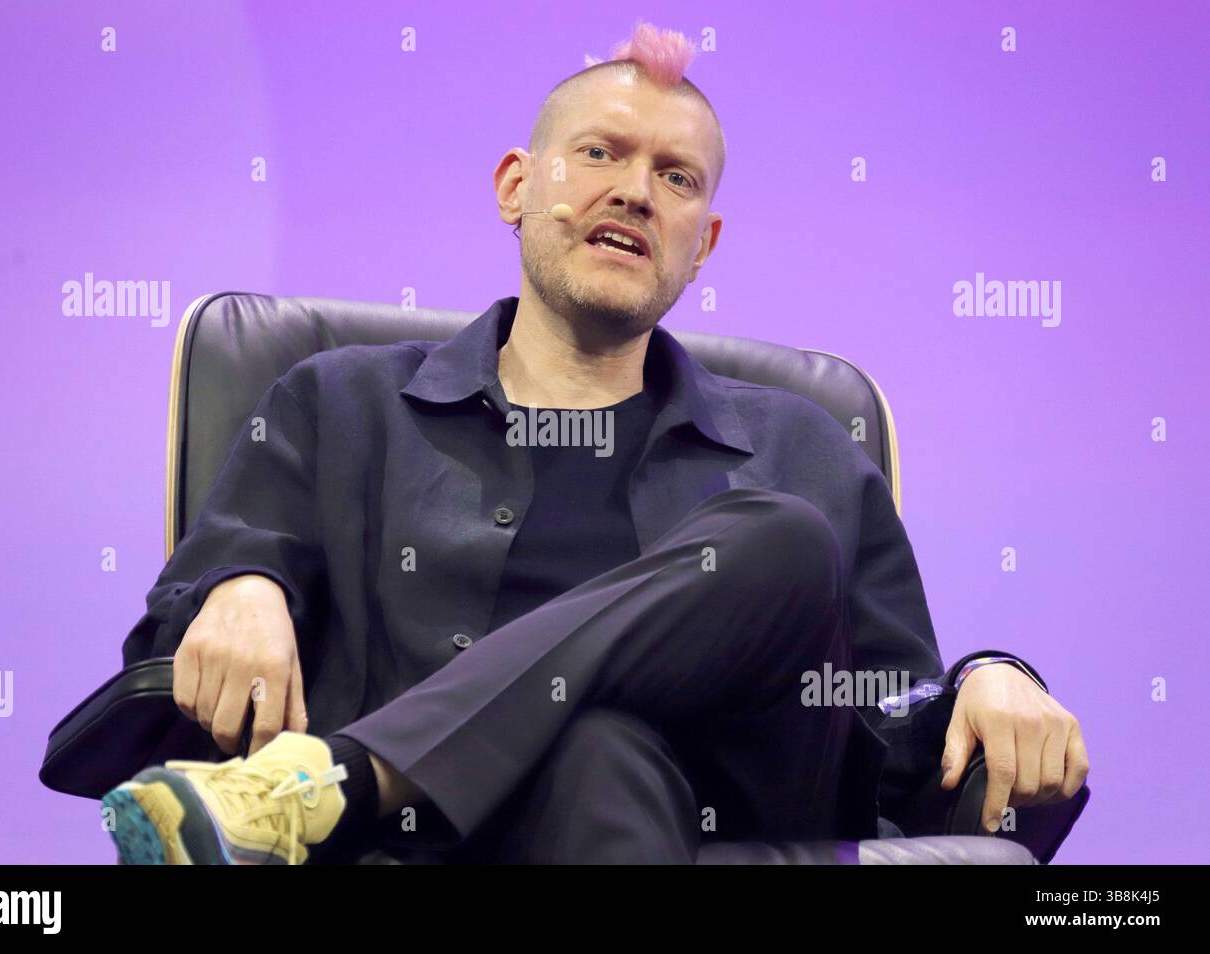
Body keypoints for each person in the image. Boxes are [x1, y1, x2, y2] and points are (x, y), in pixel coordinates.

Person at [104, 23, 1089, 866]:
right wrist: (239, 582)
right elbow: (166, 648)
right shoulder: (338, 403)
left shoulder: (805, 445)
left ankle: (339, 782)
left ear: (701, 243)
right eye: (600, 154)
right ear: (514, 188)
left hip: (725, 824)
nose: (634, 193)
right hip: (448, 842)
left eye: (674, 176)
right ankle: (363, 785)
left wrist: (986, 674)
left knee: (778, 538)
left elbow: (892, 724)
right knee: (596, 747)